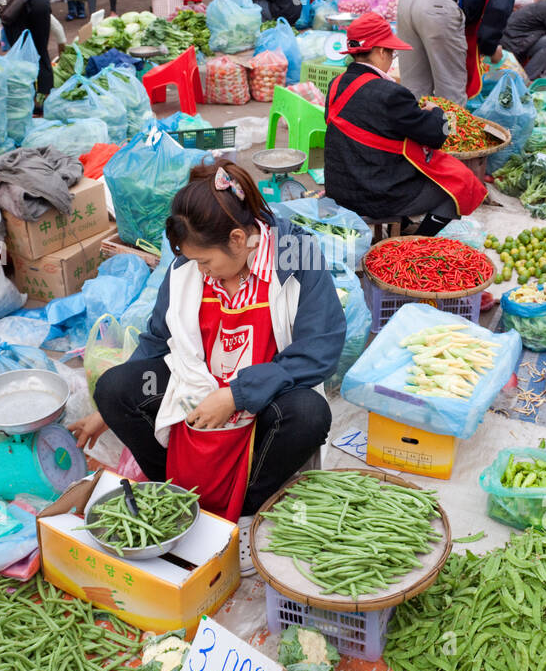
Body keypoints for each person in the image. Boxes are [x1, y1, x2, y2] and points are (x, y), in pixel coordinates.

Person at [73, 162, 345, 567]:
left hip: (269, 397)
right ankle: (177, 495)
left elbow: (320, 348)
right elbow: (156, 337)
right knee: (116, 388)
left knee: (308, 413)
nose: (197, 270)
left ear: (238, 239)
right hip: (195, 390)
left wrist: (236, 394)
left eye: (205, 262)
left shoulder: (296, 254)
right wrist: (104, 411)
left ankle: (249, 509)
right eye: (192, 261)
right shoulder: (187, 264)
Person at [324, 12, 486, 233]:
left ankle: (405, 226)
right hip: (376, 196)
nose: (392, 58)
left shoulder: (336, 85)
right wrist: (437, 113)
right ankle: (416, 245)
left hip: (340, 189)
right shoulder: (391, 94)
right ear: (381, 51)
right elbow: (437, 136)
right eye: (392, 53)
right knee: (459, 186)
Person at [396, 0, 531, 106]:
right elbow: (492, 27)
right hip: (439, 6)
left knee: (414, 84)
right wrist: (492, 50)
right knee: (450, 88)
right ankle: (450, 128)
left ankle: (412, 127)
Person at [0, 0, 53, 98]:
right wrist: (61, 43)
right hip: (41, 2)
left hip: (16, 10)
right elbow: (56, 27)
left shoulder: (2, 4)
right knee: (42, 51)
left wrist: (12, 47)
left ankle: (28, 98)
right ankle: (45, 99)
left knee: (21, 57)